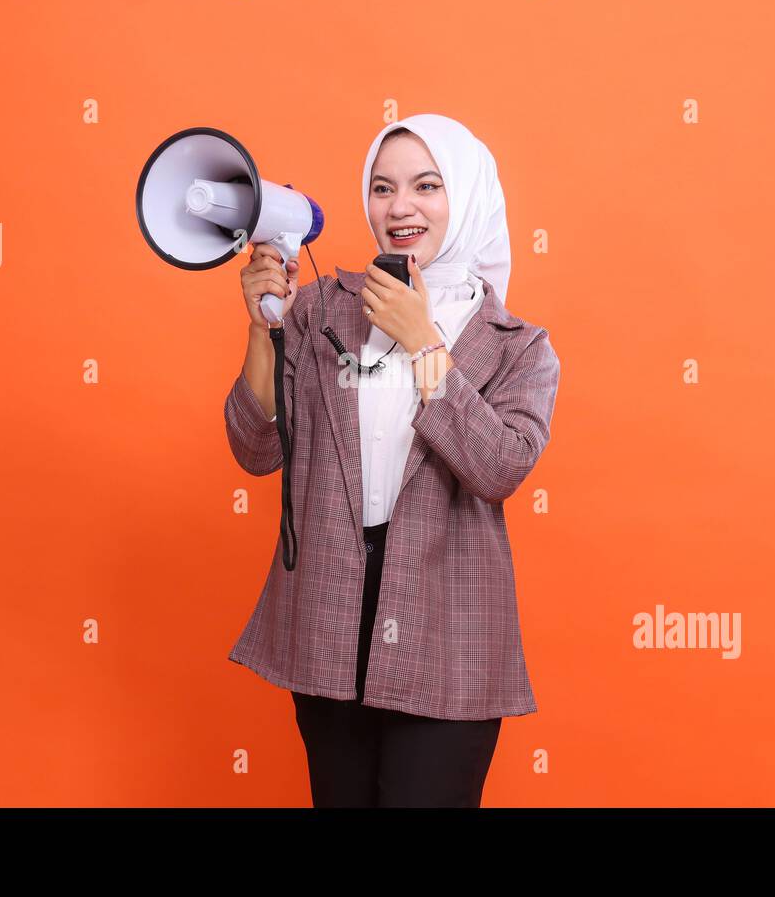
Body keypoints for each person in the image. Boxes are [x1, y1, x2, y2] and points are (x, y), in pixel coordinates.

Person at [224, 113, 560, 807]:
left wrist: (423, 340)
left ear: (467, 196)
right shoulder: (321, 309)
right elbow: (255, 450)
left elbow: (500, 468)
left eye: (426, 186)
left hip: (448, 632)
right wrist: (263, 331)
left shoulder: (518, 346)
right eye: (383, 188)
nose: (400, 207)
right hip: (328, 620)